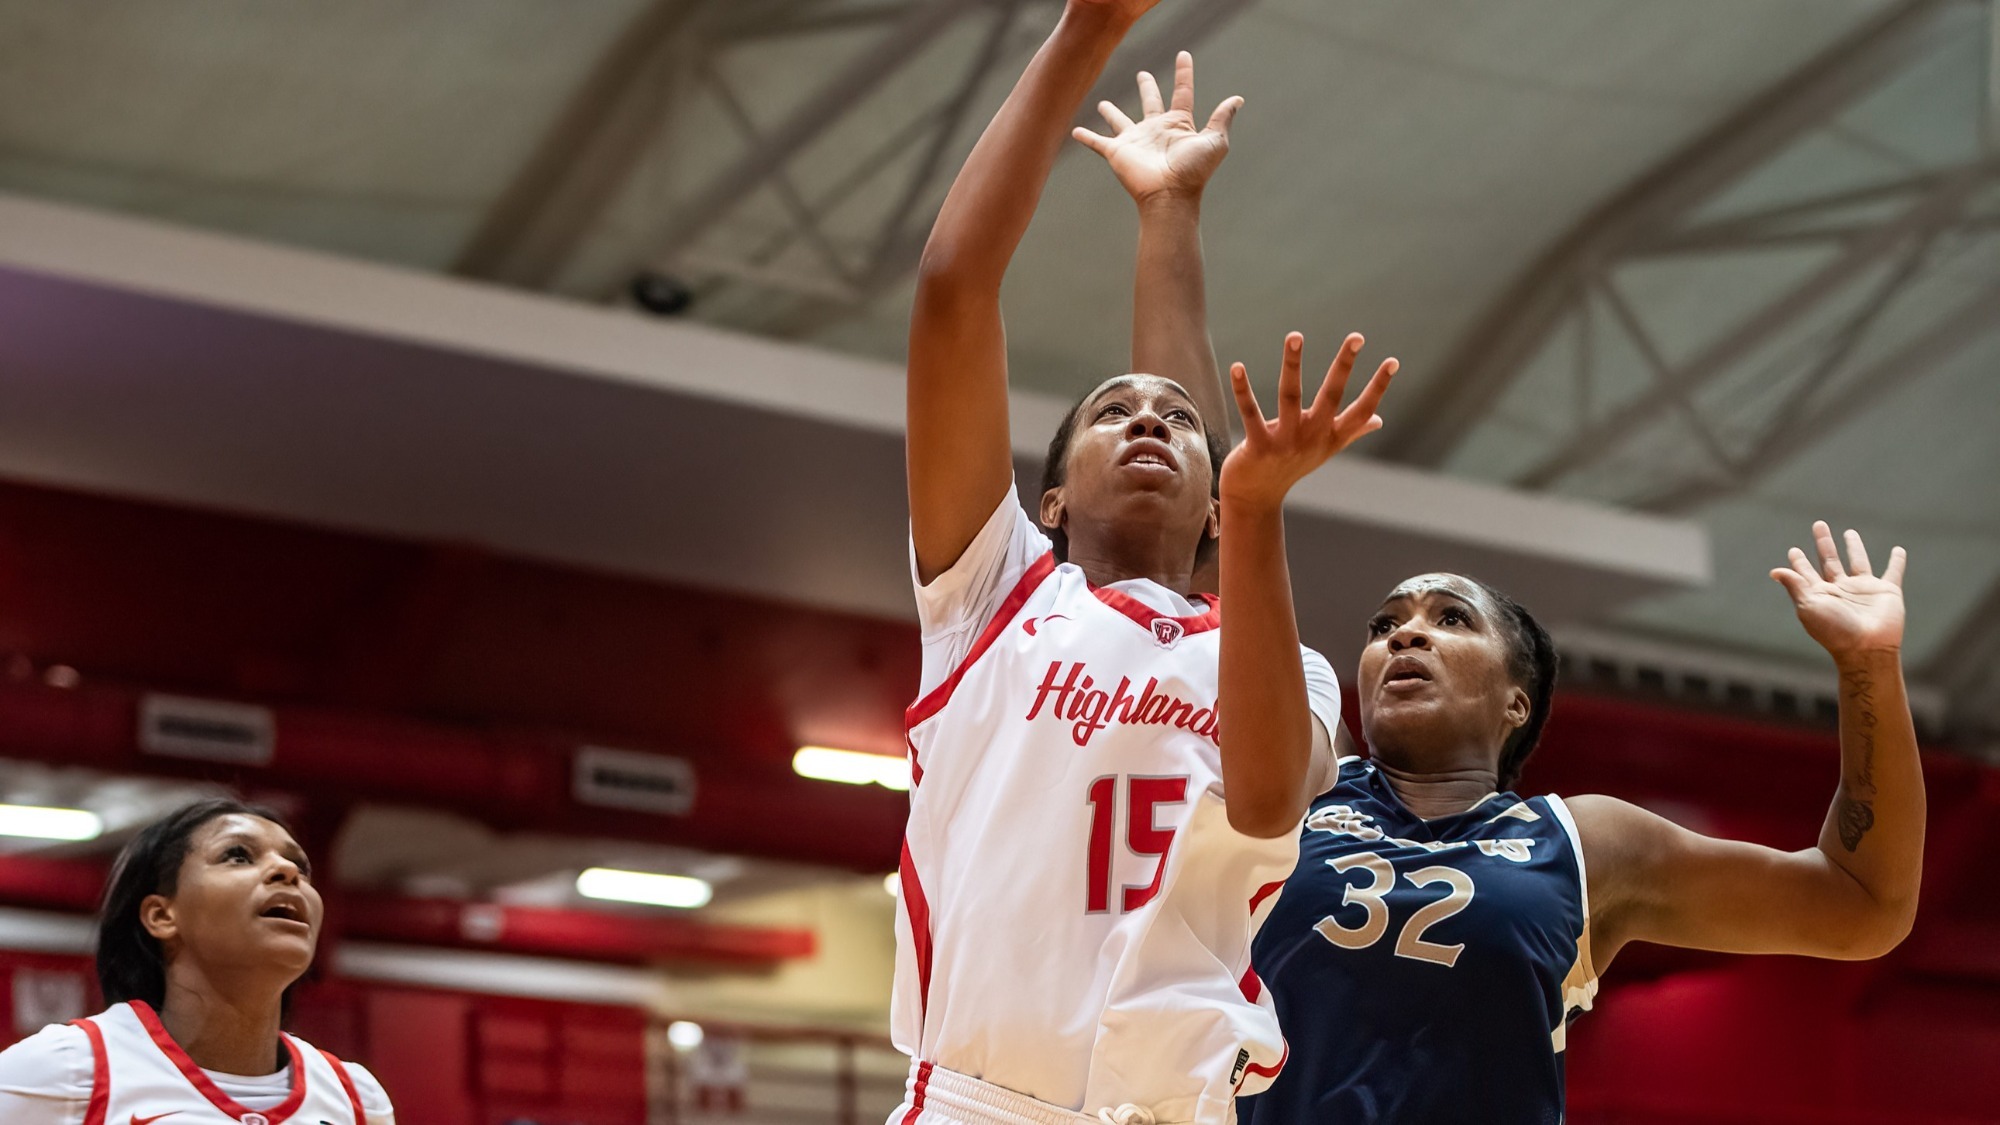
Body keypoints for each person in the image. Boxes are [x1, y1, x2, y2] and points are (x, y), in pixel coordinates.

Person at [893, 2, 1376, 1120]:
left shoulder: (1286, 669)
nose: (1151, 421)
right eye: (1112, 412)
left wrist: (1252, 511)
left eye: (1175, 420)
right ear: (1047, 496)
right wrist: (1084, 33)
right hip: (981, 1099)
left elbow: (1265, 807)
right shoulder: (994, 593)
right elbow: (953, 291)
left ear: (1216, 503)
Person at [1236, 525, 1924, 1123]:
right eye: (1384, 626)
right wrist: (1251, 497)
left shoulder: (1582, 843)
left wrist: (1870, 666)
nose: (1406, 633)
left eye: (1452, 619)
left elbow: (1861, 903)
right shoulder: (1297, 792)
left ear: (1517, 702)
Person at [0, 798, 396, 1125]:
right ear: (162, 915)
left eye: (301, 867)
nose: (288, 871)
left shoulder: (356, 1098)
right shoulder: (66, 1070)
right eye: (238, 855)